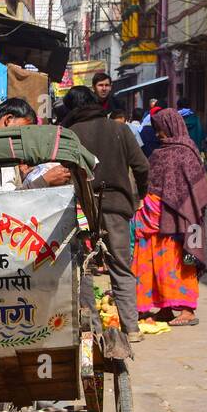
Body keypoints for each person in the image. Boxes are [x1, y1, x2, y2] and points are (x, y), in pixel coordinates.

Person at [61, 84, 149, 344]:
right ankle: (131, 328)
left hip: (80, 209)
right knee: (121, 267)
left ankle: (94, 328)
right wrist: (141, 194)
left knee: (84, 267)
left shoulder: (69, 134)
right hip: (116, 207)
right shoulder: (120, 129)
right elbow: (142, 166)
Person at [133, 108, 207, 328]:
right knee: (161, 263)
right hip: (161, 217)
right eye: (156, 129)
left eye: (161, 129)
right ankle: (166, 307)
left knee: (183, 259)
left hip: (183, 218)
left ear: (172, 126)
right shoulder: (170, 151)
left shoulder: (184, 151)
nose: (158, 134)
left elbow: (193, 187)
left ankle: (186, 310)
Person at [0, 97, 72, 193]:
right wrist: (45, 180)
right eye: (23, 130)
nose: (24, 137)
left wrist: (18, 177)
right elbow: (4, 199)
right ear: (8, 120)